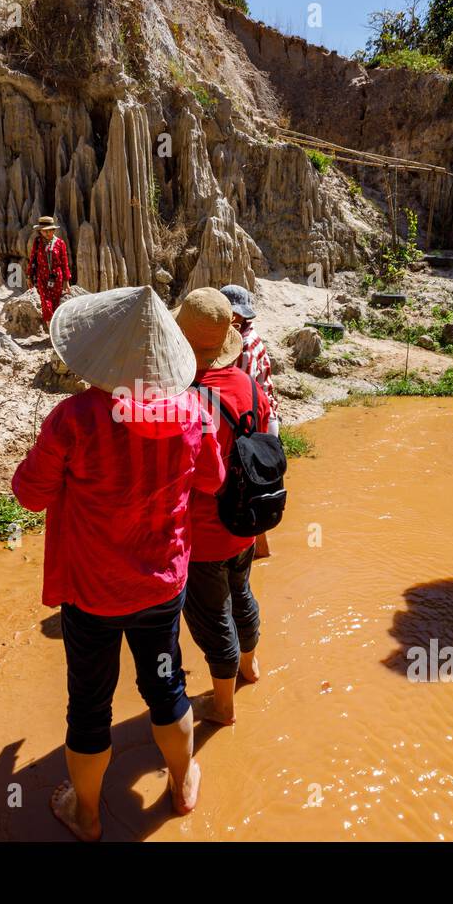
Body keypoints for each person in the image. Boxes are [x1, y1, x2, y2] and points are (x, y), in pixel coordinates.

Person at [11, 285, 225, 842]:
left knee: (89, 702)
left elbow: (29, 495)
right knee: (166, 685)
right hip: (160, 587)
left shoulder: (74, 419)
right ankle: (181, 783)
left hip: (91, 592)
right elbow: (213, 482)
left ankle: (87, 814)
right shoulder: (193, 414)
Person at [175, 288, 271, 726]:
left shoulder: (187, 400)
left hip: (205, 530)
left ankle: (224, 707)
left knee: (213, 618)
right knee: (242, 594)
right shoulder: (249, 387)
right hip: (246, 520)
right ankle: (250, 669)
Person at [221, 284, 280, 435]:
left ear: (238, 316)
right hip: (259, 411)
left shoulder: (245, 345)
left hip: (259, 418)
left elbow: (242, 390)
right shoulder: (244, 333)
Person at [27, 215, 71, 328]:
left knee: (56, 303)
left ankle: (55, 328)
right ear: (40, 231)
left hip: (57, 278)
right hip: (42, 277)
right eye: (44, 231)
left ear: (53, 230)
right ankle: (50, 326)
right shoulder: (37, 242)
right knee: (45, 302)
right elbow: (33, 260)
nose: (47, 233)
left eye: (49, 231)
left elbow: (64, 262)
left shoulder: (60, 243)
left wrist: (66, 281)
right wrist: (29, 276)